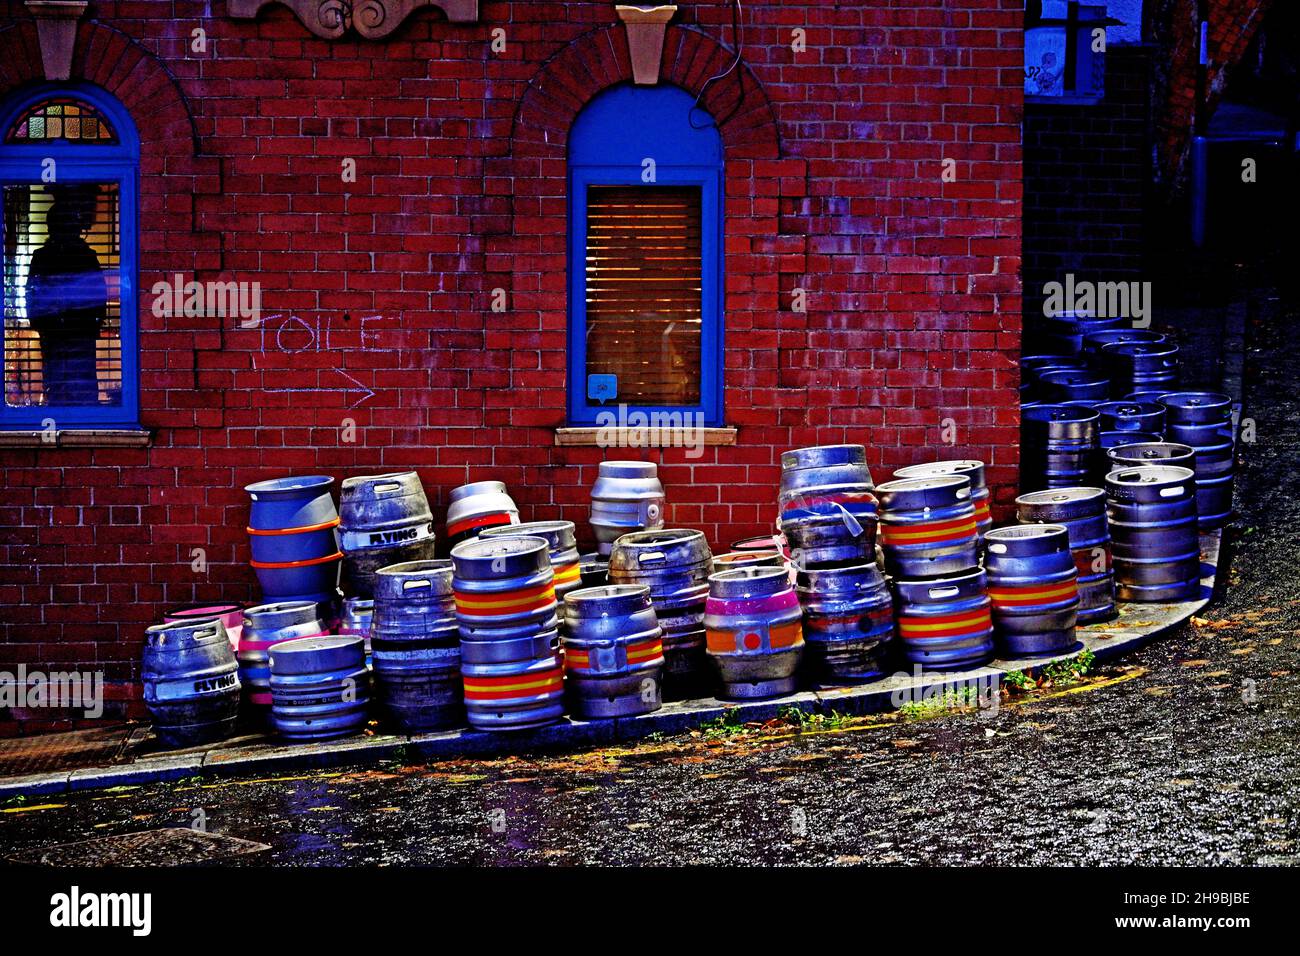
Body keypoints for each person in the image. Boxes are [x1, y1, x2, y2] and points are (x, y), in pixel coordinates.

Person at [25, 184, 108, 406]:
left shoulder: (43, 257)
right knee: (79, 388)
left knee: (60, 387)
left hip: (58, 336)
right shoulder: (85, 256)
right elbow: (99, 297)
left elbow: (32, 297)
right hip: (75, 335)